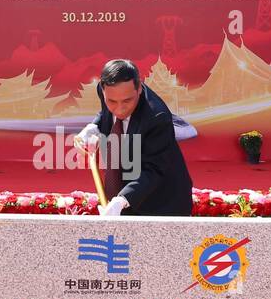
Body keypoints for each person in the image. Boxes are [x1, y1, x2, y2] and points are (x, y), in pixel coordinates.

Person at [73, 58, 193, 217]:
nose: (119, 109)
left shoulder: (157, 117)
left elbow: (153, 170)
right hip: (126, 189)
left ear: (139, 89)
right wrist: (94, 127)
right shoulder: (106, 89)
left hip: (162, 204)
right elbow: (106, 113)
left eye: (127, 101)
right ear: (103, 90)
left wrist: (121, 200)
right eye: (112, 101)